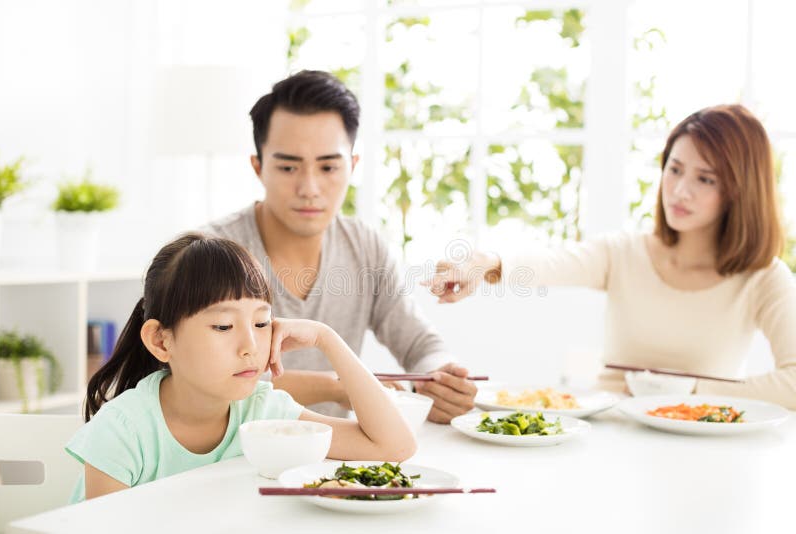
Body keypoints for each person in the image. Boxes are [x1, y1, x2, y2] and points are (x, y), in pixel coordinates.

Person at [426, 104, 796, 409]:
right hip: (613, 431)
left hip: (704, 442)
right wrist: (484, 262)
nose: (680, 191)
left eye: (706, 179)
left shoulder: (763, 277)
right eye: (675, 169)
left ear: (740, 190)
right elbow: (552, 262)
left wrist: (691, 391)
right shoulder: (624, 253)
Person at [202, 70, 476, 423]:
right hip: (227, 460)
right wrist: (339, 386)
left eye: (329, 166)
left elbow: (420, 345)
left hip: (335, 460)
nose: (310, 188)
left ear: (352, 166)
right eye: (288, 167)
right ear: (258, 167)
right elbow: (199, 382)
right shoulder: (207, 252)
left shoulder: (364, 246)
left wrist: (438, 379)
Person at [65, 233, 416, 501]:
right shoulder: (123, 431)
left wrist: (327, 339)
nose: (250, 346)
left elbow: (392, 447)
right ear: (161, 340)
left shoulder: (261, 410)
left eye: (262, 324)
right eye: (222, 327)